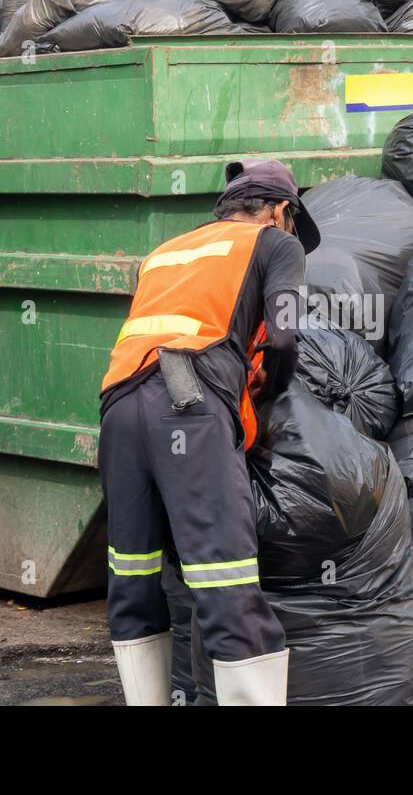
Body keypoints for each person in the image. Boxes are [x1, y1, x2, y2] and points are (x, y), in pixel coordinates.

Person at [97, 159, 318, 706]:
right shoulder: (274, 243)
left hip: (118, 404)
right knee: (225, 576)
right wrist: (268, 391)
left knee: (133, 574)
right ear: (282, 211)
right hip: (188, 406)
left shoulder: (167, 251)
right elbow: (285, 338)